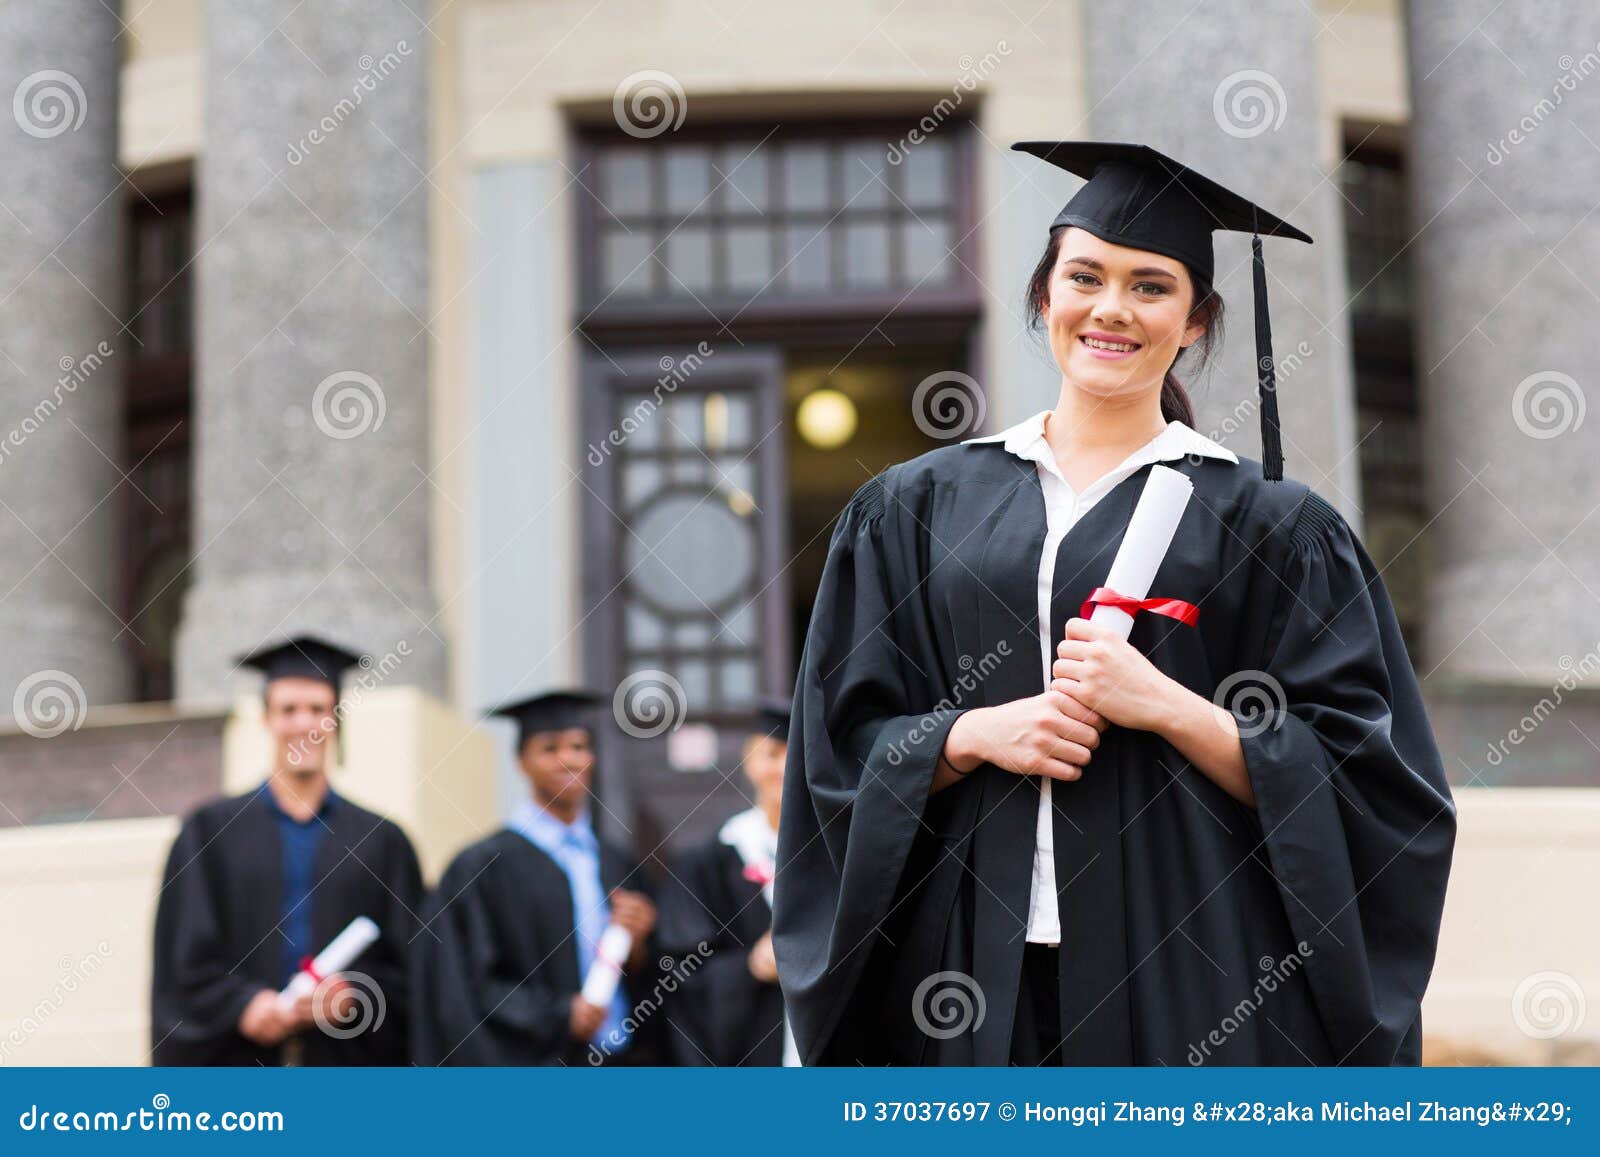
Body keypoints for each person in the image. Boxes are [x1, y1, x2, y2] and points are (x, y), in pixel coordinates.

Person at [771, 141, 1456, 1066]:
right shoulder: (917, 509)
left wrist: (1168, 706)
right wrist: (969, 734)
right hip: (965, 976)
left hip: (1195, 974)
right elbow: (837, 747)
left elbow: (1372, 785)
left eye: (1151, 286)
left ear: (1196, 320)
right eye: (1085, 277)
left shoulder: (1272, 528)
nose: (1111, 308)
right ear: (1044, 293)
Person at [151, 634, 423, 1065]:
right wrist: (241, 1005)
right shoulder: (209, 834)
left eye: (317, 709)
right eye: (288, 709)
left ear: (335, 719)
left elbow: (414, 970)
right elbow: (182, 961)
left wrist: (354, 996)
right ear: (266, 718)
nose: (304, 724)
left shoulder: (382, 841)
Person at [410, 689, 666, 1065]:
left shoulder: (617, 863)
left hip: (621, 1062)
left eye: (578, 746)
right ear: (521, 762)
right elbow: (465, 985)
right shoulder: (481, 868)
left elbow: (655, 984)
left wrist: (641, 946)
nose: (568, 759)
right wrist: (556, 1015)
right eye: (549, 748)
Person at [659, 698, 798, 1066]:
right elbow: (683, 977)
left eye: (797, 754)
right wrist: (750, 966)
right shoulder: (708, 864)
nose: (784, 767)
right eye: (772, 754)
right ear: (749, 760)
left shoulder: (840, 856)